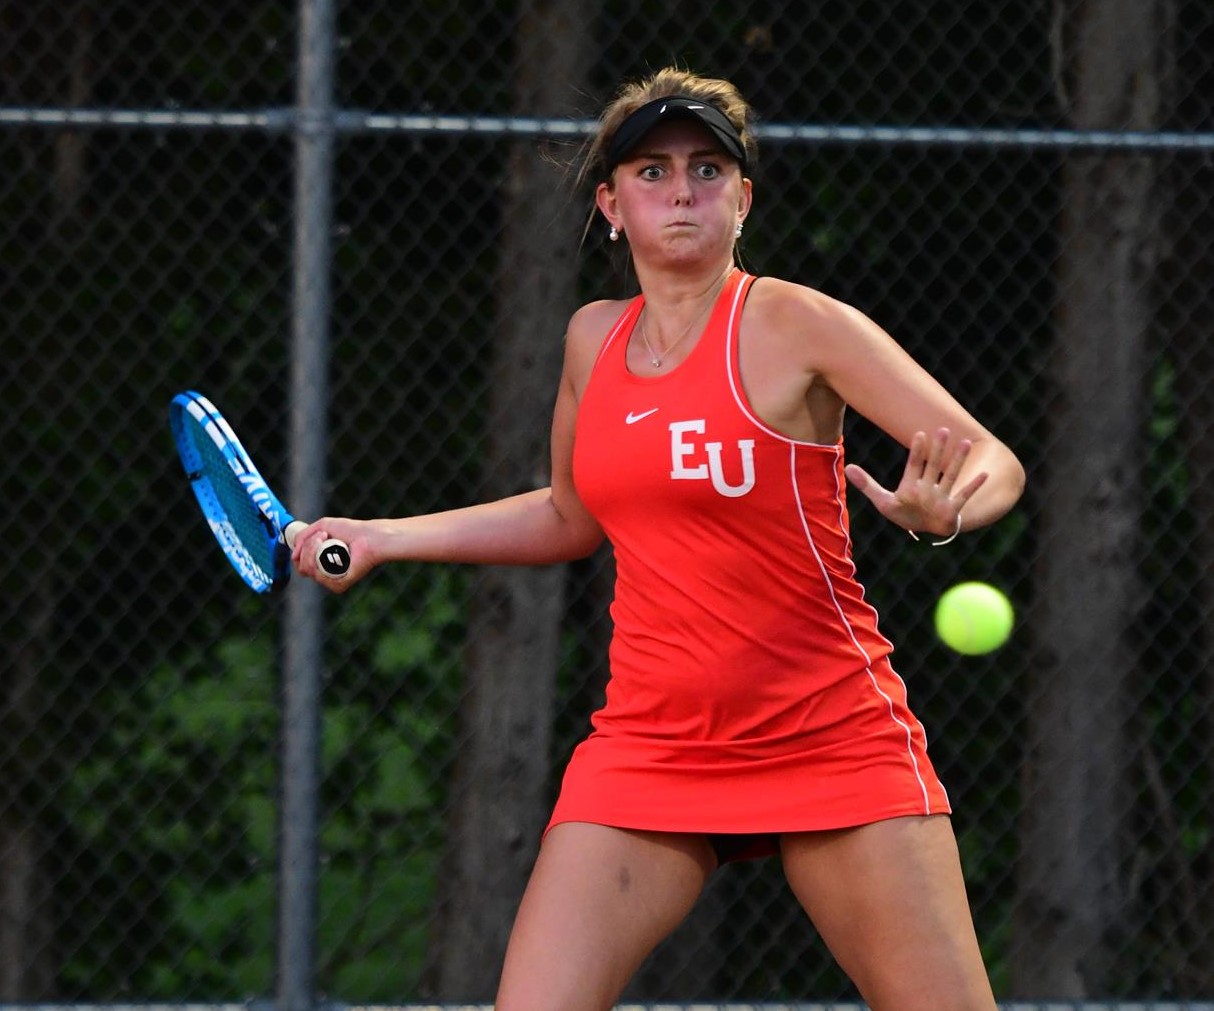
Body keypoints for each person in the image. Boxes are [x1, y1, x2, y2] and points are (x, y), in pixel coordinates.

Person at [292, 65, 1025, 1011]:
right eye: (651, 170)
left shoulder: (794, 322)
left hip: (830, 732)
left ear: (744, 198)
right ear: (610, 204)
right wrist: (384, 537)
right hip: (652, 746)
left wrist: (950, 509)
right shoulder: (592, 341)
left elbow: (990, 458)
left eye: (707, 170)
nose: (681, 190)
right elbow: (568, 515)